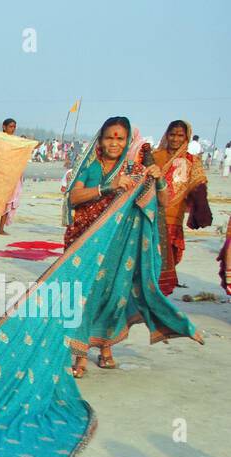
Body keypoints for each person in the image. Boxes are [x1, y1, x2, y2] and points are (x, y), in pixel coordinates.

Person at [62, 116, 203, 377]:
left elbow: (161, 201)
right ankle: (80, 356)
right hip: (87, 244)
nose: (114, 143)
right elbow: (74, 198)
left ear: (127, 142)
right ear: (100, 141)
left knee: (116, 295)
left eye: (120, 138)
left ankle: (105, 348)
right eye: (109, 137)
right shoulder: (91, 168)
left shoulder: (135, 171)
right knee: (86, 297)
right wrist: (108, 187)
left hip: (120, 246)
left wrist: (159, 180)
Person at [151, 120, 210, 295]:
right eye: (172, 134)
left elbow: (198, 186)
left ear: (186, 137)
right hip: (151, 215)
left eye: (180, 135)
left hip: (173, 216)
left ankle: (159, 291)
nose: (175, 139)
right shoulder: (154, 157)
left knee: (171, 255)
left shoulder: (191, 161)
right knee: (149, 254)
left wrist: (201, 213)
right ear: (166, 135)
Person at [0, 118, 23, 236]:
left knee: (9, 201)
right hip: (0, 173)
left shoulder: (16, 141)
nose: (12, 129)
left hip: (12, 174)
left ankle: (1, 228)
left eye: (14, 127)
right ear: (4, 127)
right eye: (10, 126)